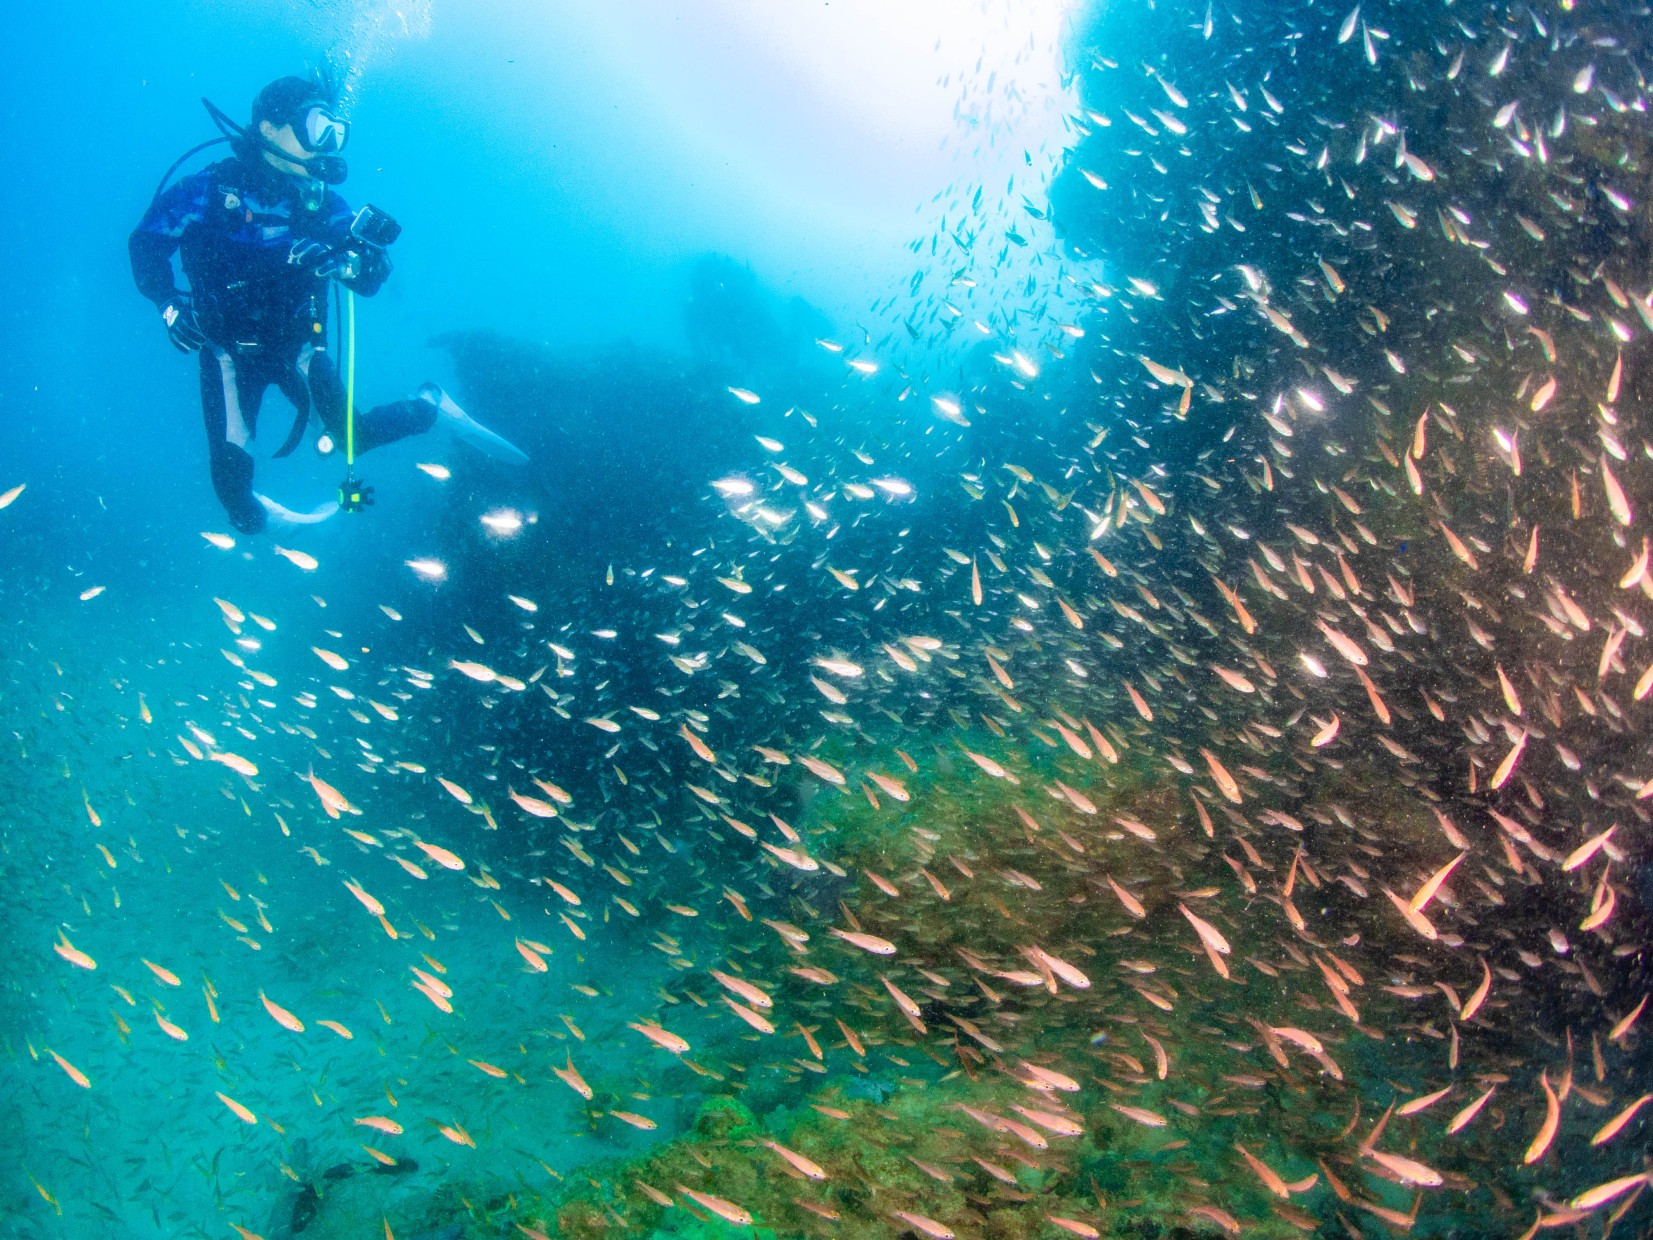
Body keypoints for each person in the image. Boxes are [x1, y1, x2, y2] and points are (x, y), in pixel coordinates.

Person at [130, 73, 526, 534]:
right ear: (268, 129)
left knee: (352, 437)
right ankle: (276, 523)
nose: (328, 145)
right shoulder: (206, 191)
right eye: (318, 128)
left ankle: (431, 406)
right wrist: (169, 306)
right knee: (237, 503)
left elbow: (370, 271)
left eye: (336, 133)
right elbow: (146, 243)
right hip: (224, 352)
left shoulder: (321, 204)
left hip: (297, 345)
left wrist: (360, 265)